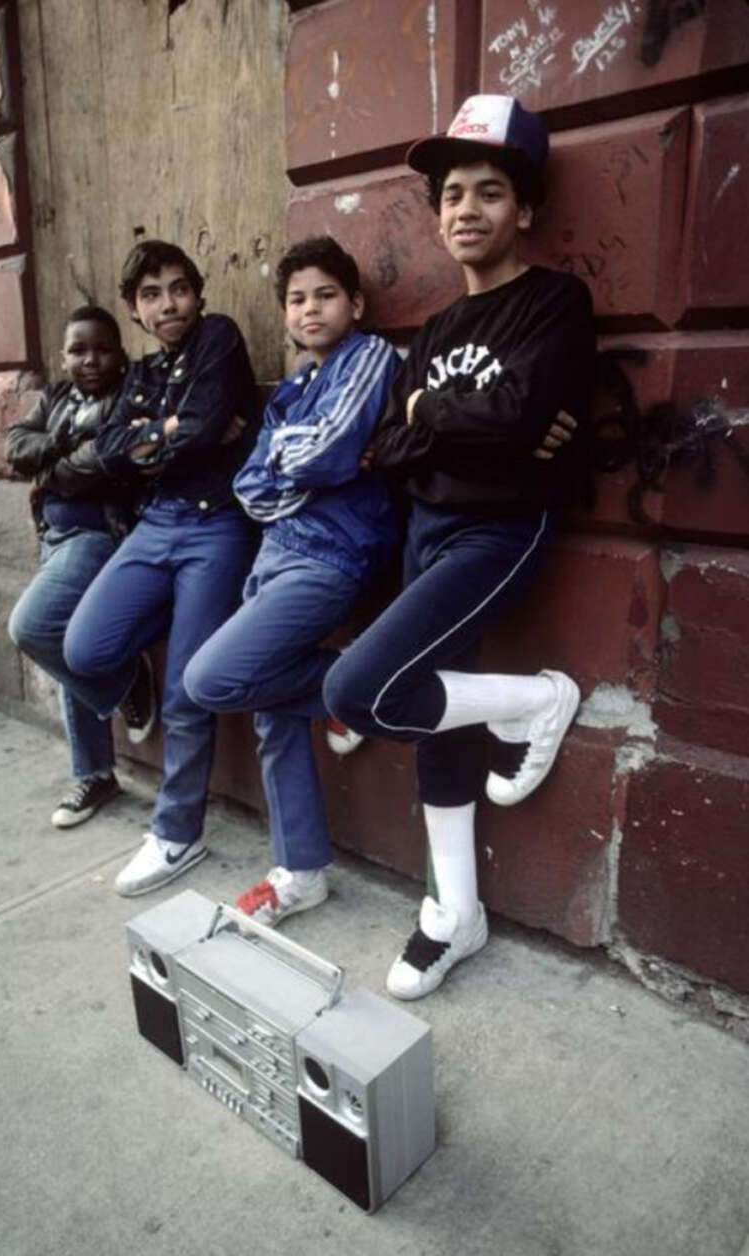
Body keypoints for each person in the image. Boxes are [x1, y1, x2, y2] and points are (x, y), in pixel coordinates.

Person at [323, 94, 595, 1000]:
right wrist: (470, 424)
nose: (465, 210)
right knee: (436, 713)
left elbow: (518, 417)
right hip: (428, 531)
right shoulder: (436, 330)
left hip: (499, 531)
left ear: (525, 209)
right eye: (450, 195)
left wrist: (433, 413)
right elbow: (389, 452)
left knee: (357, 689)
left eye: (488, 191)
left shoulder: (555, 302)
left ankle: (536, 699)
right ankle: (456, 915)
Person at [184, 236, 400, 925]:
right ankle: (301, 870)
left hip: (331, 558)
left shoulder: (370, 359)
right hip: (275, 556)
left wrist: (296, 462)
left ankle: (347, 681)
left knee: (209, 679)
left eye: (326, 295)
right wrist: (296, 462)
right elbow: (252, 485)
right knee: (273, 709)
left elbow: (328, 449)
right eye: (297, 299)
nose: (310, 309)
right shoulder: (295, 388)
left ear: (356, 303)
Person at [63, 240, 260, 897]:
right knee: (84, 647)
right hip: (156, 525)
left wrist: (164, 431)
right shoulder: (143, 374)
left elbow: (201, 431)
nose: (168, 303)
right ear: (135, 309)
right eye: (151, 294)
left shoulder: (220, 338)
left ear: (198, 294)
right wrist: (168, 430)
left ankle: (178, 832)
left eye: (179, 288)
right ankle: (141, 678)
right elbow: (111, 450)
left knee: (185, 693)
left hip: (216, 529)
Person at [7, 305, 156, 829]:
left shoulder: (133, 392)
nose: (90, 359)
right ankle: (94, 773)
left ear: (120, 353)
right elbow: (15, 445)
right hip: (53, 535)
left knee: (30, 626)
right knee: (63, 637)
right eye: (78, 349)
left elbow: (105, 464)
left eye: (102, 348)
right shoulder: (55, 397)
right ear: (63, 355)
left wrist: (52, 465)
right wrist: (63, 443)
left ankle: (125, 681)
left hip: (100, 535)